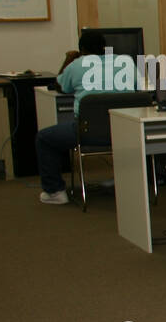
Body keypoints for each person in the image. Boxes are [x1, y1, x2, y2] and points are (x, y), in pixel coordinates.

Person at [35, 30, 112, 205]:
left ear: (82, 49)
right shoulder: (123, 64)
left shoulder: (77, 65)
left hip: (86, 131)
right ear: (105, 48)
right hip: (122, 129)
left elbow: (59, 86)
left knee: (44, 138)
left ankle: (55, 192)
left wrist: (69, 59)